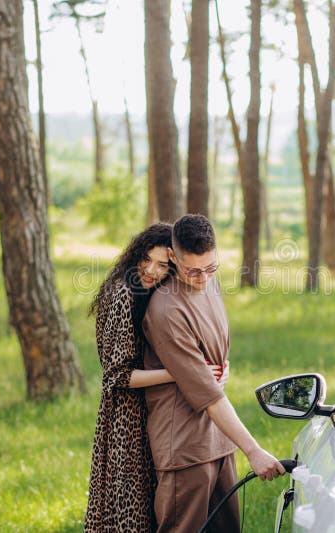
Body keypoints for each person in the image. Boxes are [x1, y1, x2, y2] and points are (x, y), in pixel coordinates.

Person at [142, 214, 285, 532]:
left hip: (219, 439)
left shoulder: (209, 281)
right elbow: (207, 394)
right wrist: (254, 450)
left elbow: (213, 362)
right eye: (193, 270)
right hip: (185, 449)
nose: (203, 278)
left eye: (211, 268)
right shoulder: (166, 312)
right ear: (172, 257)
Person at [84, 223, 227, 532]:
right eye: (146, 259)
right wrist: (184, 373)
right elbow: (116, 377)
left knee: (158, 506)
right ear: (136, 255)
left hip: (155, 409)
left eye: (162, 264)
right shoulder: (124, 293)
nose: (151, 270)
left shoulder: (160, 293)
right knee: (131, 514)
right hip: (126, 417)